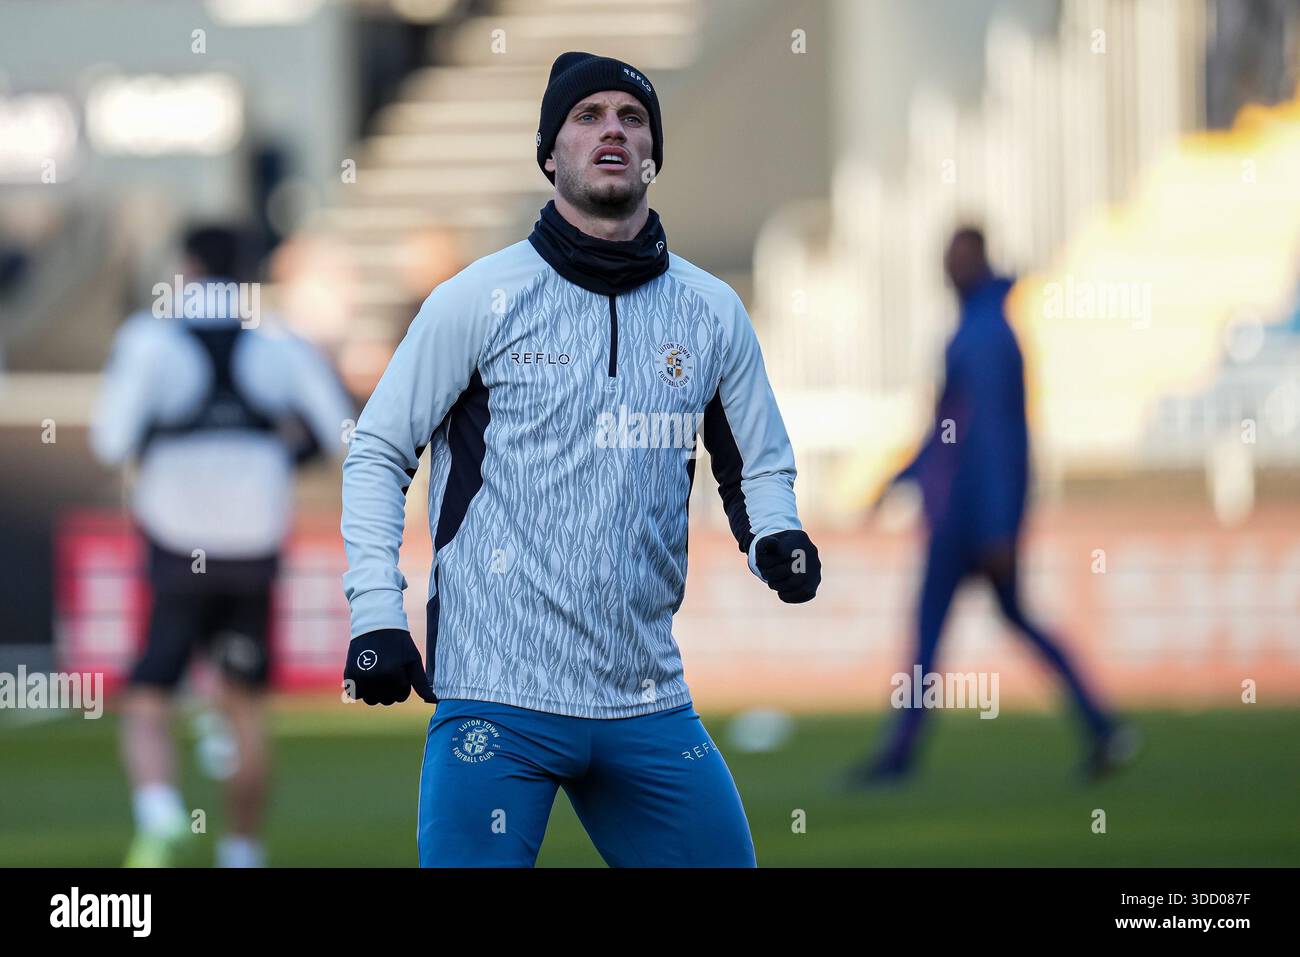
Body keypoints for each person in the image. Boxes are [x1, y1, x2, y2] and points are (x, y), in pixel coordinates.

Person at [340, 51, 821, 867]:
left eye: (632, 119)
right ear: (549, 153)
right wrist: (375, 614)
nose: (613, 131)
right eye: (588, 116)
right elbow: (379, 451)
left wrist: (776, 531)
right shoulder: (476, 299)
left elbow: (758, 462)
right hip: (497, 699)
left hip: (646, 698)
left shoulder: (711, 312)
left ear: (653, 155)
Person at [92, 224, 354, 866]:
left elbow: (109, 442)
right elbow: (342, 429)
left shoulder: (149, 339)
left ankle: (159, 812)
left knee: (151, 694)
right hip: (254, 546)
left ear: (184, 265)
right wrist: (274, 452)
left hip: (178, 544)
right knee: (244, 708)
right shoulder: (280, 342)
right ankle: (241, 853)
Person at [849, 227, 1136, 785]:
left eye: (958, 258)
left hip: (967, 518)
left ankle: (900, 754)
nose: (948, 269)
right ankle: (1103, 728)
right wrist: (899, 479)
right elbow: (951, 432)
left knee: (931, 632)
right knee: (1011, 620)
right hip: (972, 514)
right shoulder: (982, 328)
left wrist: (999, 524)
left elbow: (996, 437)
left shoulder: (984, 335)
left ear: (979, 261)